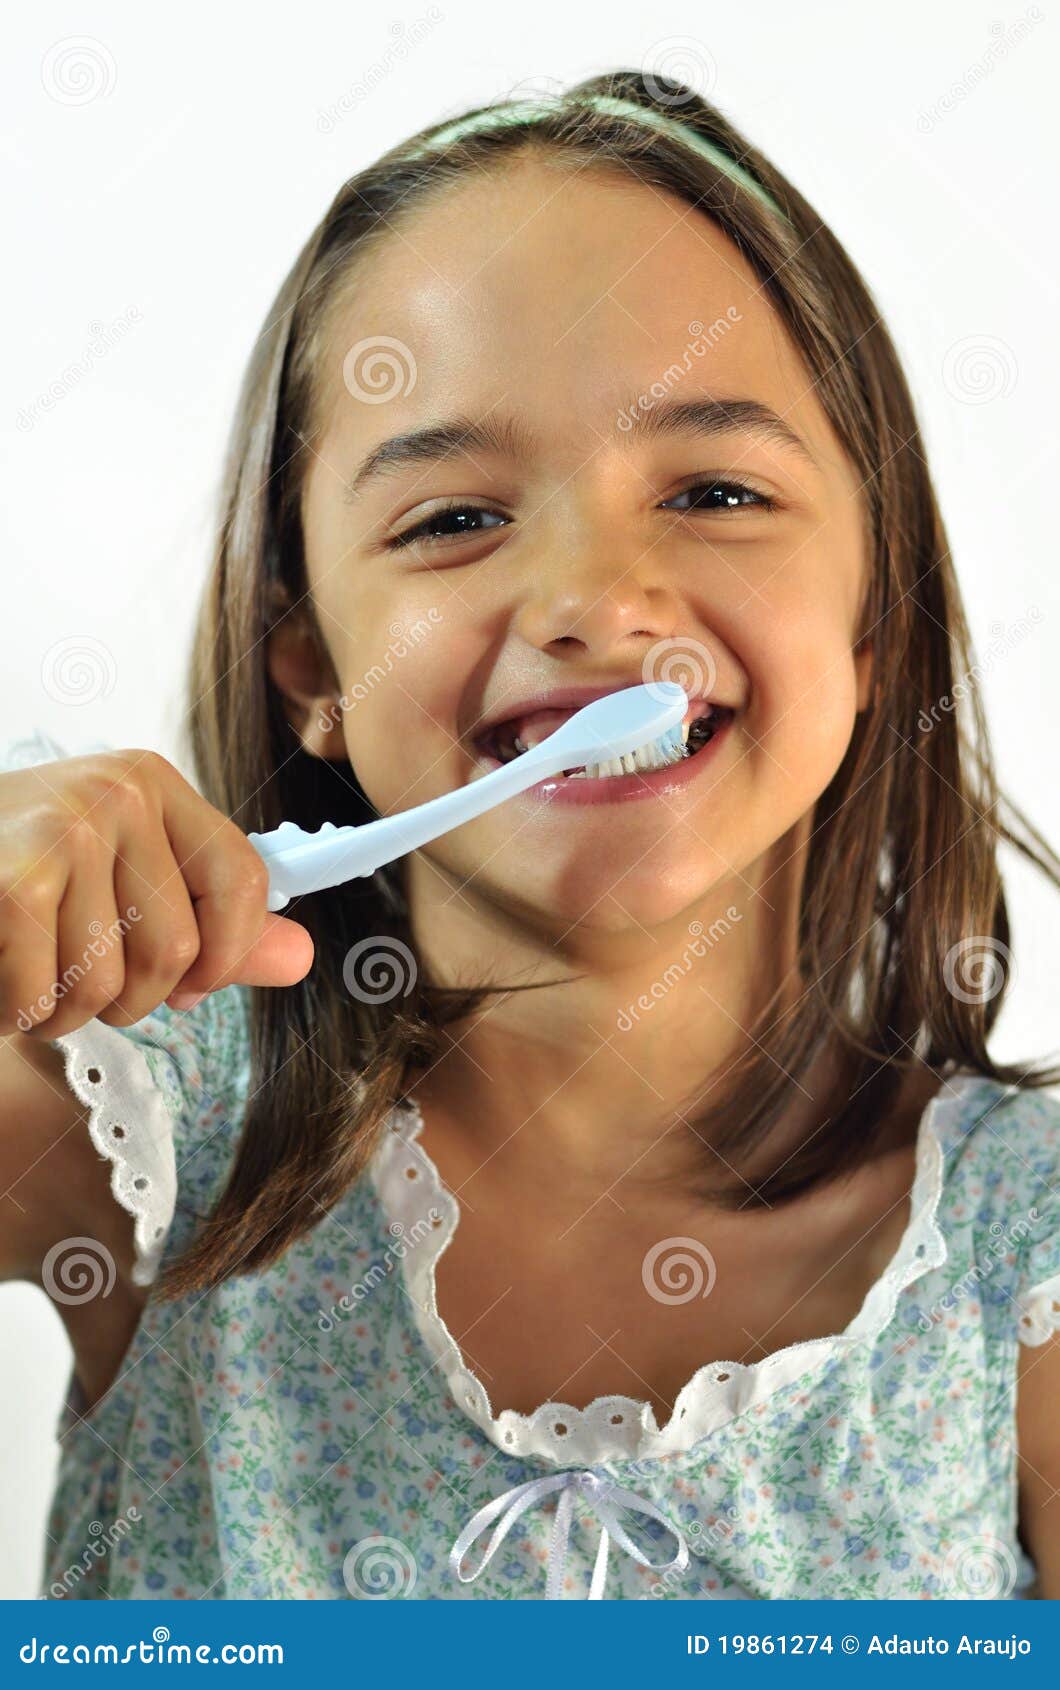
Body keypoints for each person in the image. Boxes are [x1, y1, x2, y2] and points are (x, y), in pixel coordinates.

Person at [2, 70, 1058, 1601]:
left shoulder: (1022, 1258)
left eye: (710, 488)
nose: (593, 601)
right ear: (310, 666)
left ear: (873, 621)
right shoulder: (150, 1129)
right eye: (452, 518)